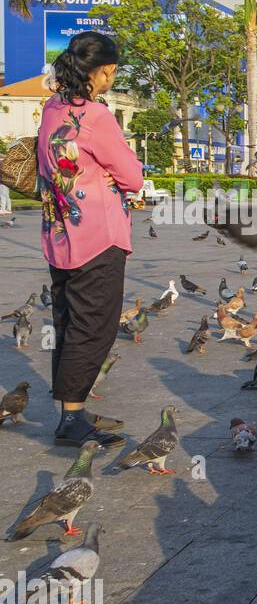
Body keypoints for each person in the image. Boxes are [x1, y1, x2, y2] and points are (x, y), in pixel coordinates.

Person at [38, 31, 142, 449]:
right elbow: (132, 176)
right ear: (99, 71)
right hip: (98, 237)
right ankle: (73, 418)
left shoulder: (51, 108)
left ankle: (71, 409)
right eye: (111, 72)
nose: (111, 79)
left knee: (68, 322)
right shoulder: (95, 115)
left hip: (59, 234)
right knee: (94, 327)